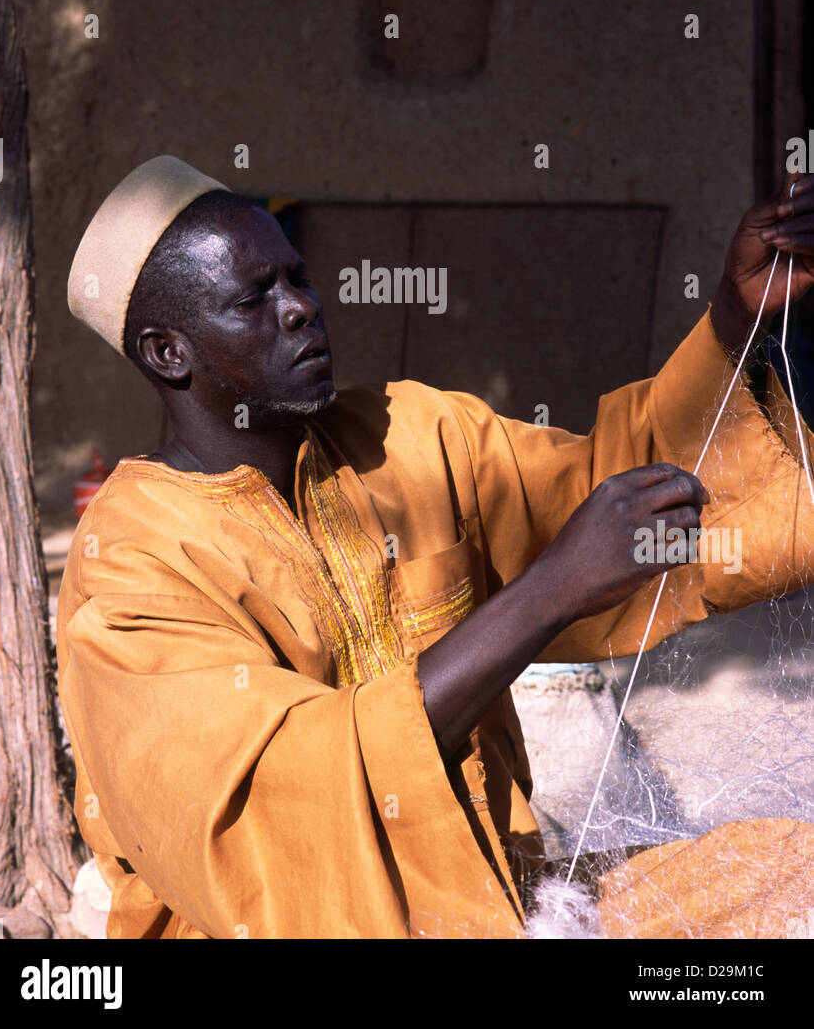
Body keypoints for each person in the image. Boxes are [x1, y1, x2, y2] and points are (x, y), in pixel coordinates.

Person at [57, 155, 814, 939]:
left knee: (792, 874)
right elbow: (286, 798)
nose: (301, 309)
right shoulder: (129, 567)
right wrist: (549, 591)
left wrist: (735, 314)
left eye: (297, 277)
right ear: (166, 353)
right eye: (254, 299)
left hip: (495, 894)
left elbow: (603, 484)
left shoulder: (405, 432)